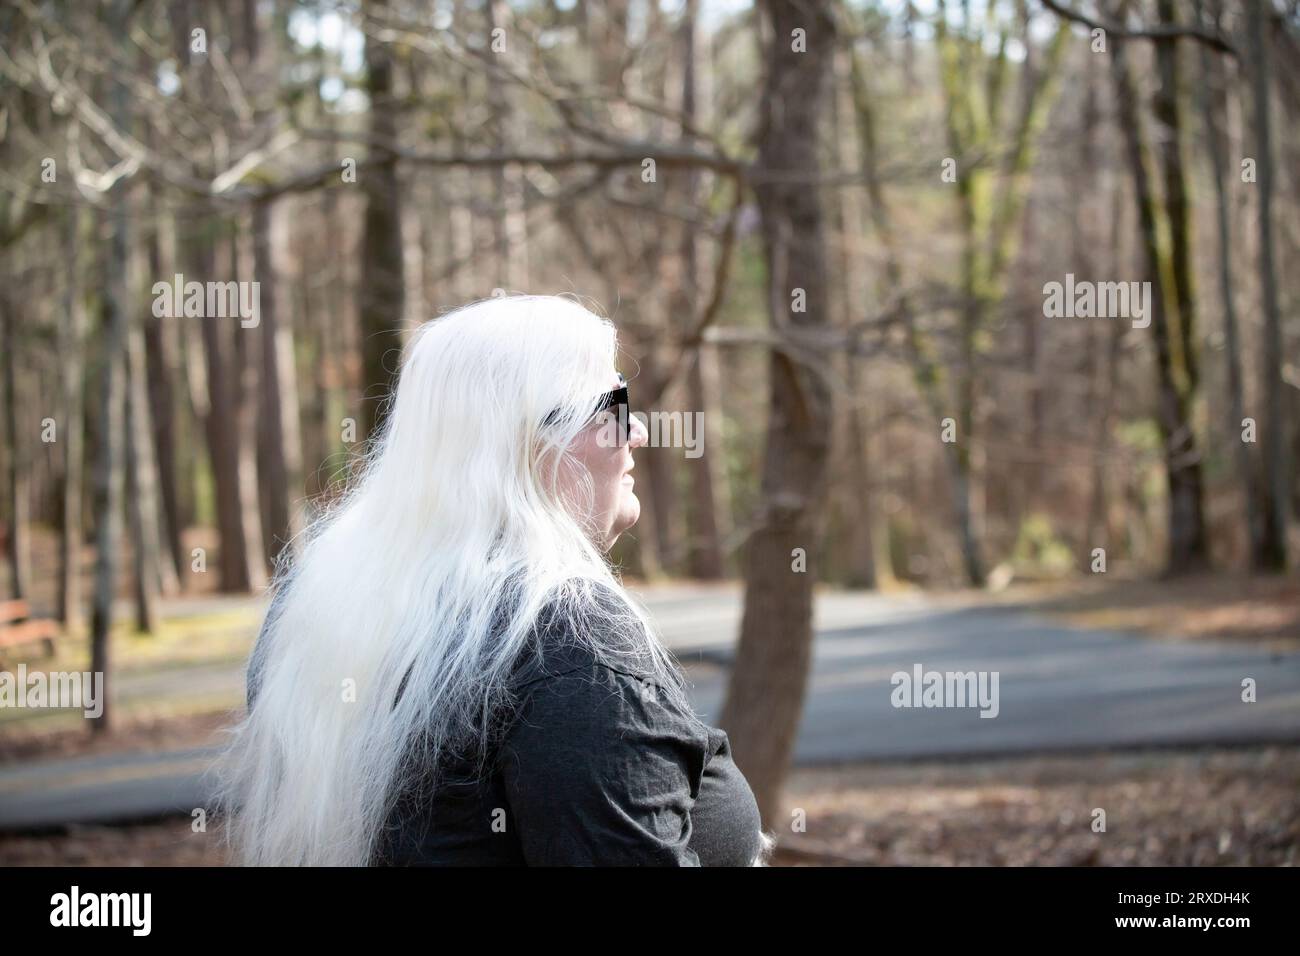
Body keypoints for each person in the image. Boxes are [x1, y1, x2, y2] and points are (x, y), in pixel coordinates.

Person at [211, 294, 775, 866]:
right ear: (532, 440)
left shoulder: (318, 606)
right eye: (616, 406)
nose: (639, 434)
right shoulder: (571, 639)